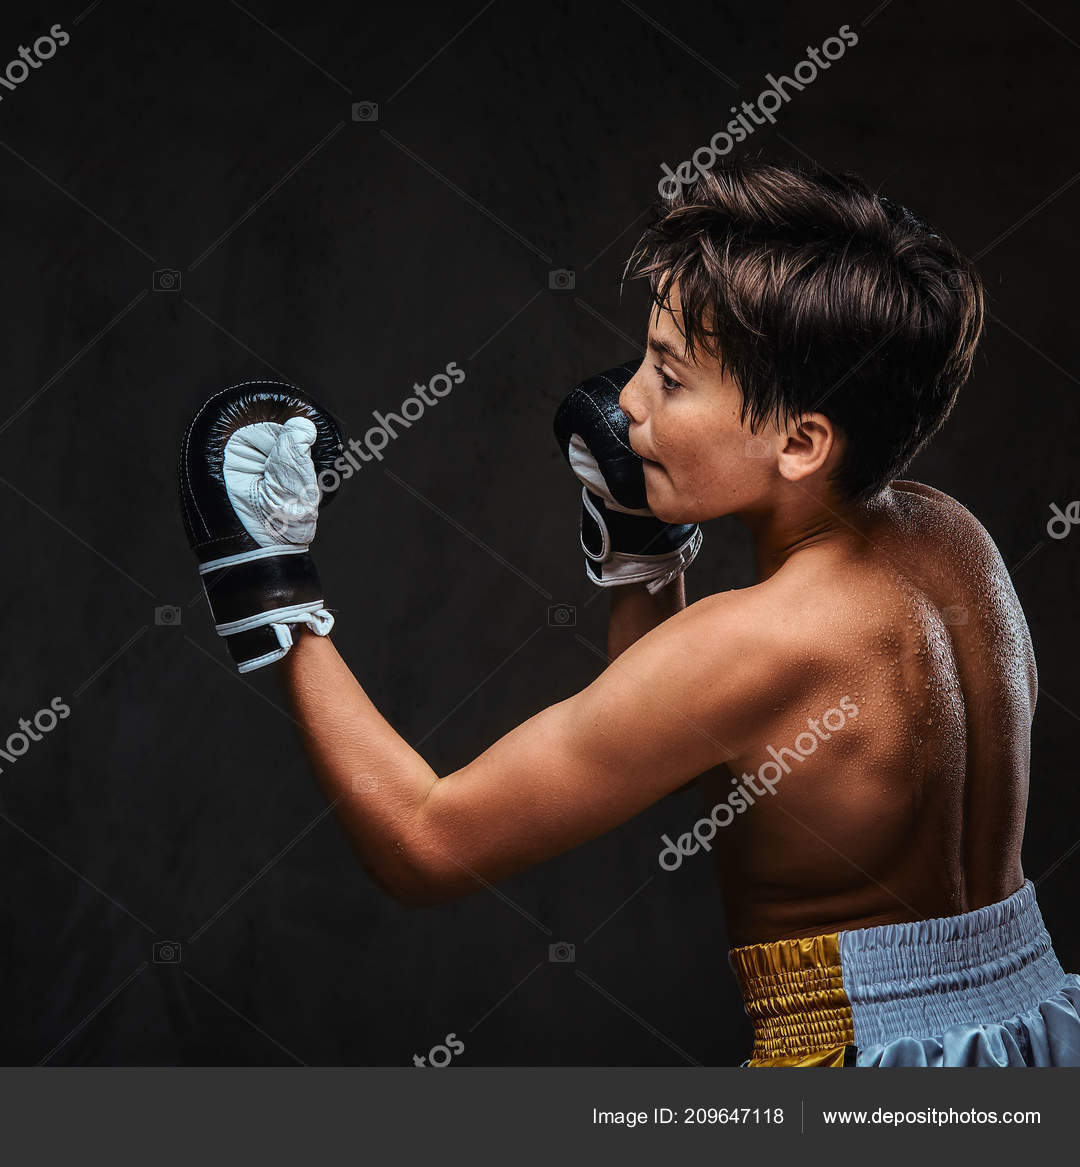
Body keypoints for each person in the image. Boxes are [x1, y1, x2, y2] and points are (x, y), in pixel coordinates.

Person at [176, 161, 1080, 1067]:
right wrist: (642, 563)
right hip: (1039, 1029)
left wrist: (268, 583)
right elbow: (691, 743)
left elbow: (424, 842)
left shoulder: (752, 641)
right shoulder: (951, 535)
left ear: (800, 441)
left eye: (673, 379)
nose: (629, 402)